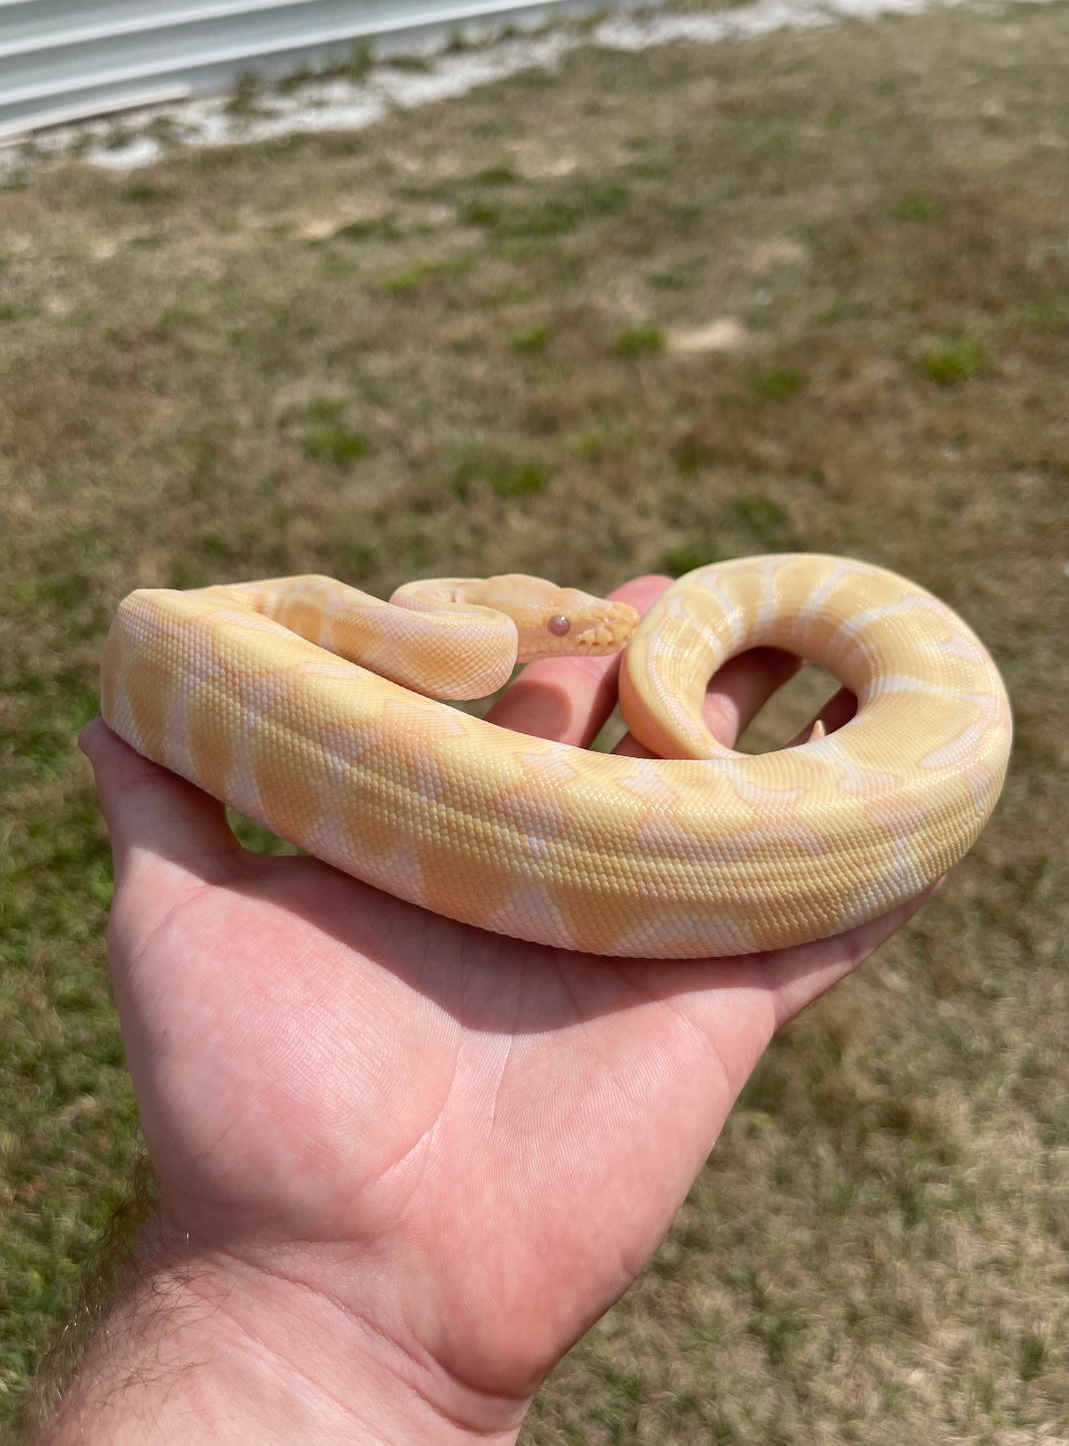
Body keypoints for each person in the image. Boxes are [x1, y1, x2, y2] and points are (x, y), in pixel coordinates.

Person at [41, 575, 935, 1444]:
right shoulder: (435, 634)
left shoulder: (248, 621)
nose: (590, 633)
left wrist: (291, 1319)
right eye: (556, 626)